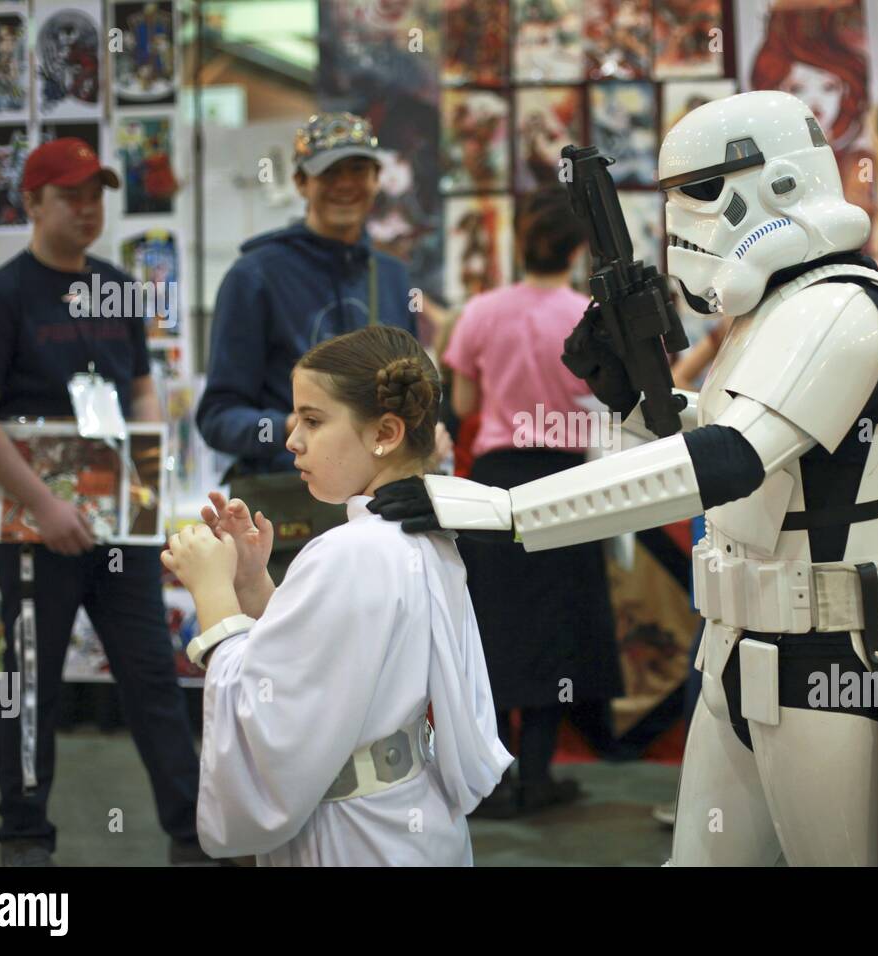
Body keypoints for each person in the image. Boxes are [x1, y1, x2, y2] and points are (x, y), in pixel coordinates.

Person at [372, 90, 878, 866]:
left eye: (696, 192)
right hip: (739, 652)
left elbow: (728, 461)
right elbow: (716, 442)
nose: (679, 220)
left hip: (838, 659)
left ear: (780, 182)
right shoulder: (777, 312)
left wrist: (506, 508)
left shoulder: (840, 309)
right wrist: (636, 399)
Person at [0, 138, 206, 867]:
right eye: (70, 195)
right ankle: (24, 837)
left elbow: (142, 390)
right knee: (31, 685)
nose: (88, 208)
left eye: (97, 193)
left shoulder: (120, 287)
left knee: (154, 675)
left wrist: (148, 484)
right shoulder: (2, 296)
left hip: (120, 526)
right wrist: (43, 507)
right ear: (32, 202)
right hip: (36, 530)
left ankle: (191, 833)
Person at [164, 326, 511, 865]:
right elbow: (328, 663)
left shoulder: (348, 551)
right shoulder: (421, 534)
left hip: (352, 834)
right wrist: (255, 585)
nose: (291, 440)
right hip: (405, 819)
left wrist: (212, 594)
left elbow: (268, 717)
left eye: (313, 420)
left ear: (386, 432)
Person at [441, 189, 622, 817]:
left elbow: (462, 407)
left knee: (491, 627)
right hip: (564, 483)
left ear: (518, 243)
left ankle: (489, 780)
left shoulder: (481, 312)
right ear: (578, 249)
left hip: (493, 481)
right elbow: (610, 401)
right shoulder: (588, 315)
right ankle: (539, 777)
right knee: (555, 629)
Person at [196, 113, 416, 583]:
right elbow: (217, 417)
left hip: (387, 521)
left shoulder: (393, 276)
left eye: (358, 170)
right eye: (329, 172)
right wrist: (291, 427)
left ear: (378, 179)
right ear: (300, 181)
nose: (345, 185)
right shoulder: (254, 276)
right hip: (291, 523)